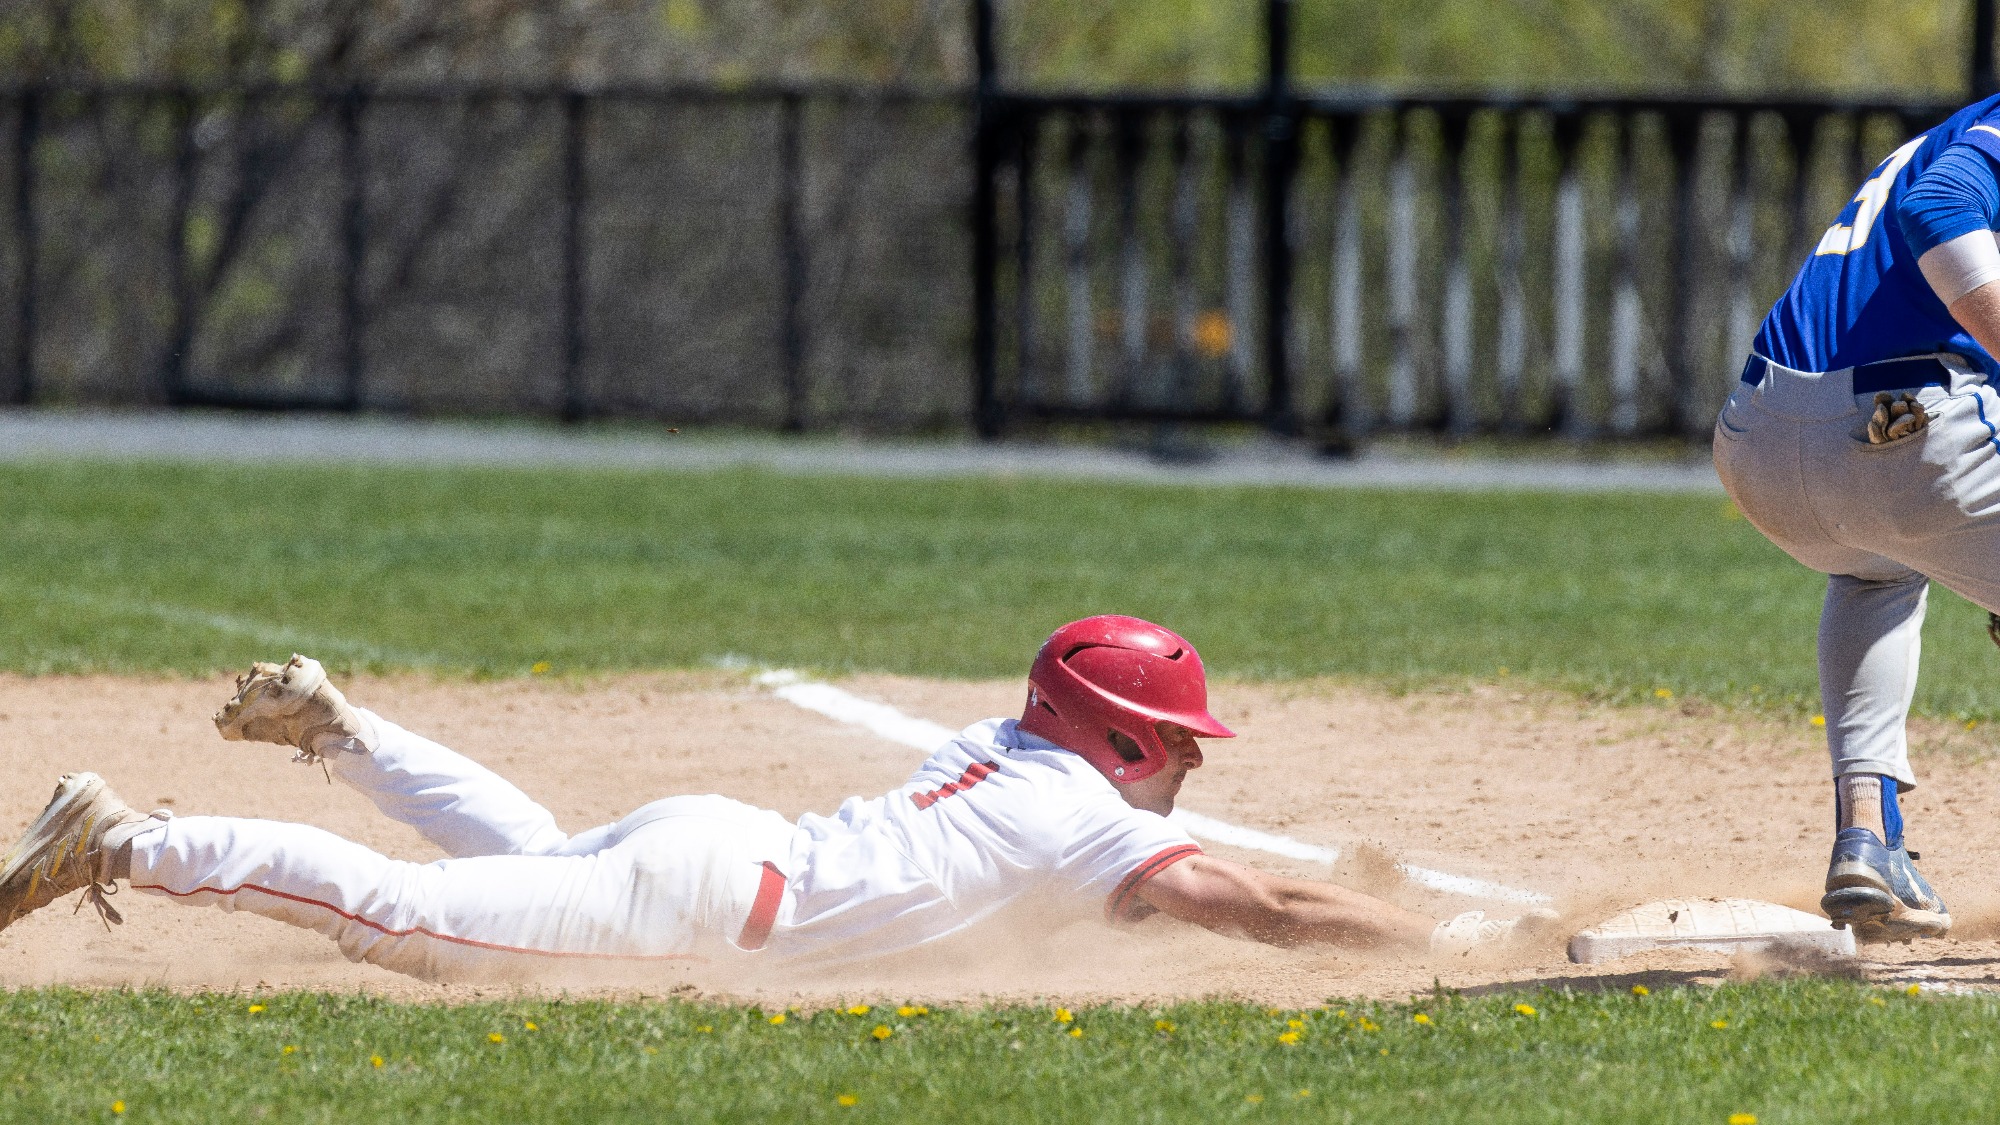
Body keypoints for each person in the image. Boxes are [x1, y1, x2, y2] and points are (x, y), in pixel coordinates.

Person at [0, 615, 1549, 979]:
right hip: (710, 893)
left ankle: (345, 729)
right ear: (1124, 734)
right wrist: (1432, 939)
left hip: (712, 848)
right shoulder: (1092, 814)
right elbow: (1260, 903)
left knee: (518, 861)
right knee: (414, 923)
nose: (1196, 756)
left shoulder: (1014, 750)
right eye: (1180, 735)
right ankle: (129, 836)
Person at [1710, 93, 2000, 943]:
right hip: (1905, 436)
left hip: (1758, 440)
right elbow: (1938, 208)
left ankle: (1868, 838)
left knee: (1876, 570)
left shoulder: (1945, 134)